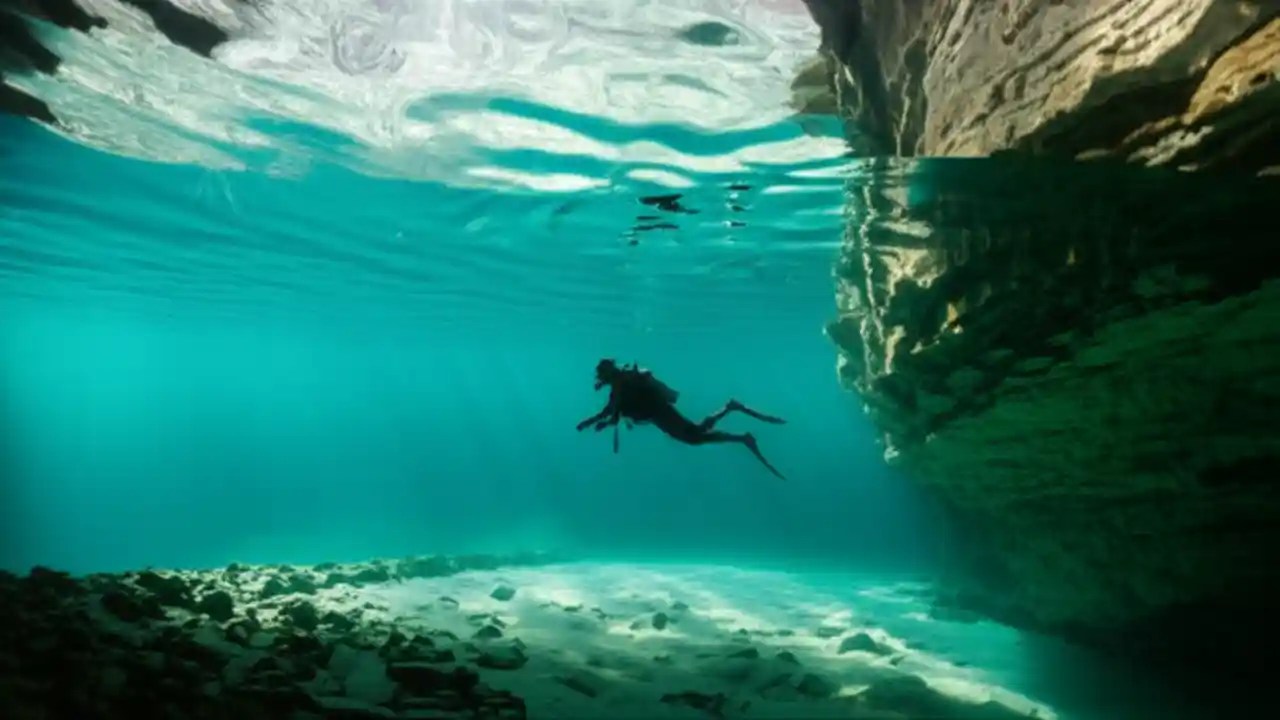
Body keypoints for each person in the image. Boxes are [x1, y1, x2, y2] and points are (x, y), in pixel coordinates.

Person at [576, 358, 787, 479]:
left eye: (604, 376)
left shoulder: (624, 385)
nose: (604, 380)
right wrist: (590, 423)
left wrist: (598, 423)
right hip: (659, 417)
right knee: (695, 436)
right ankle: (740, 433)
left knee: (695, 435)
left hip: (662, 414)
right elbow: (610, 411)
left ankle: (733, 414)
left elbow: (612, 413)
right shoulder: (620, 387)